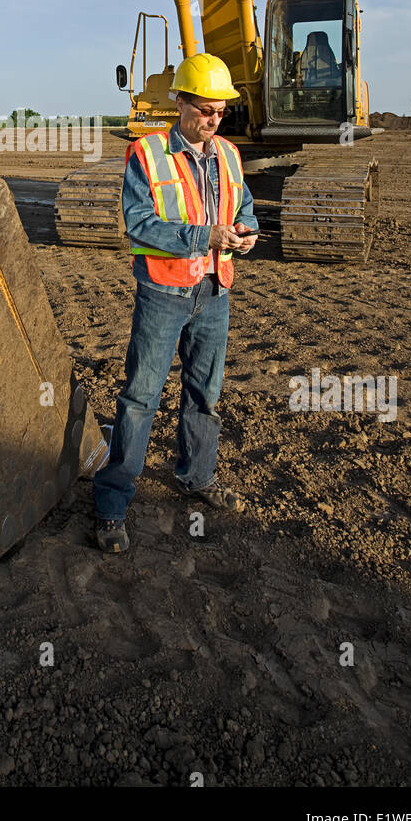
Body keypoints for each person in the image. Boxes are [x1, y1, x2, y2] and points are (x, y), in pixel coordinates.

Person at [93, 53, 259, 553]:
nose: (213, 119)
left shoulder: (228, 154)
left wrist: (246, 234)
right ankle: (112, 503)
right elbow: (139, 224)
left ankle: (196, 477)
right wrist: (204, 235)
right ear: (180, 104)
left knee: (204, 394)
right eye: (205, 110)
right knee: (141, 397)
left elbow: (243, 205)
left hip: (214, 291)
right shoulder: (147, 154)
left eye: (220, 111)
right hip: (165, 292)